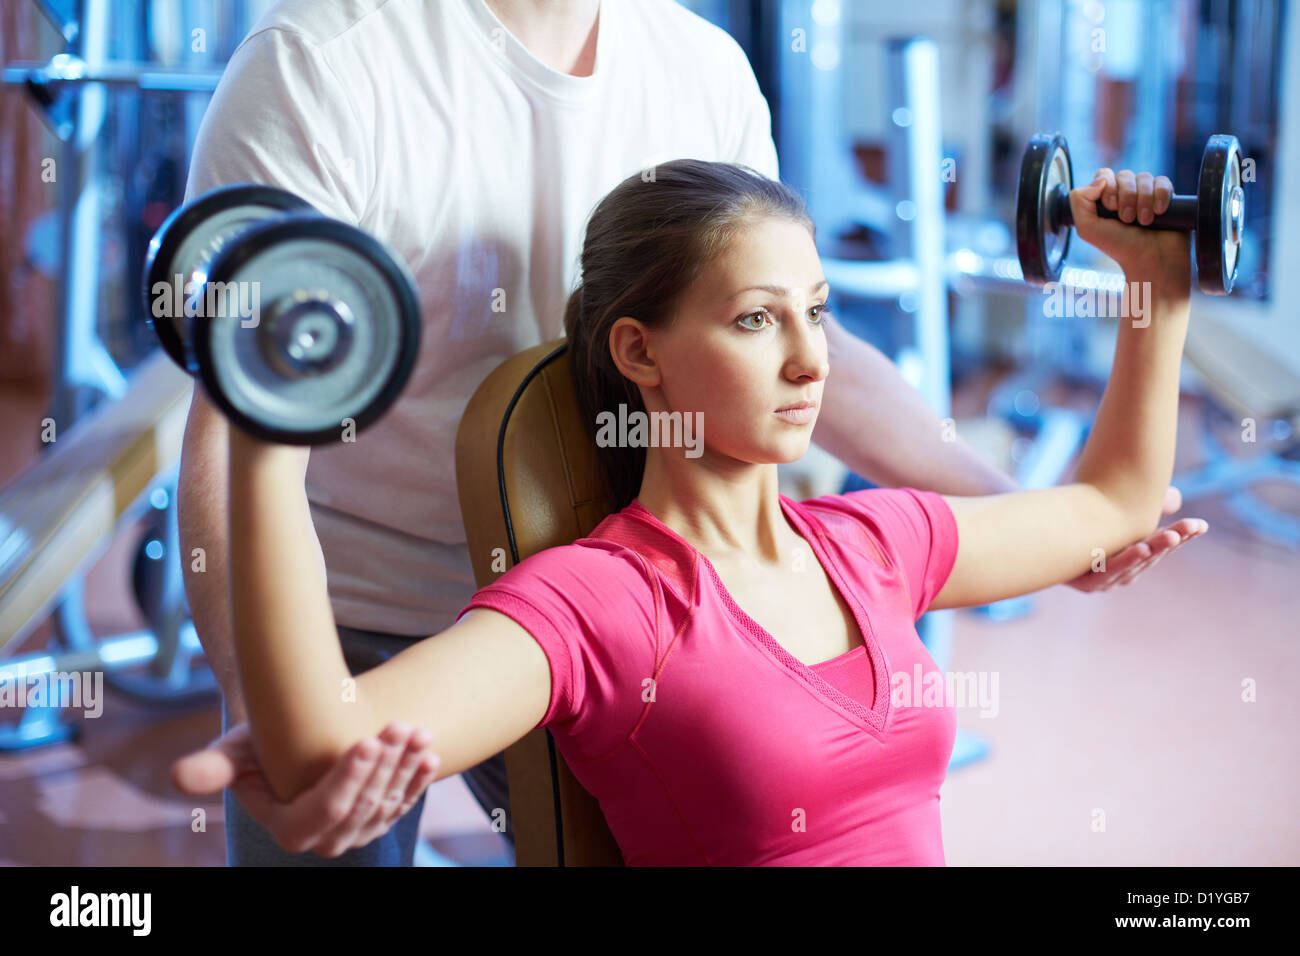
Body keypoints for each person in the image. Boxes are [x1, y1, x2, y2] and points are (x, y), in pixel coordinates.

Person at [172, 0, 1203, 865]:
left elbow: (813, 342)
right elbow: (238, 411)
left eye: (805, 311)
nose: (802, 353)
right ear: (638, 351)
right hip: (362, 602)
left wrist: (1038, 512)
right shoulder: (321, 70)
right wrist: (255, 700)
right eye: (759, 319)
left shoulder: (700, 66)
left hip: (602, 574)